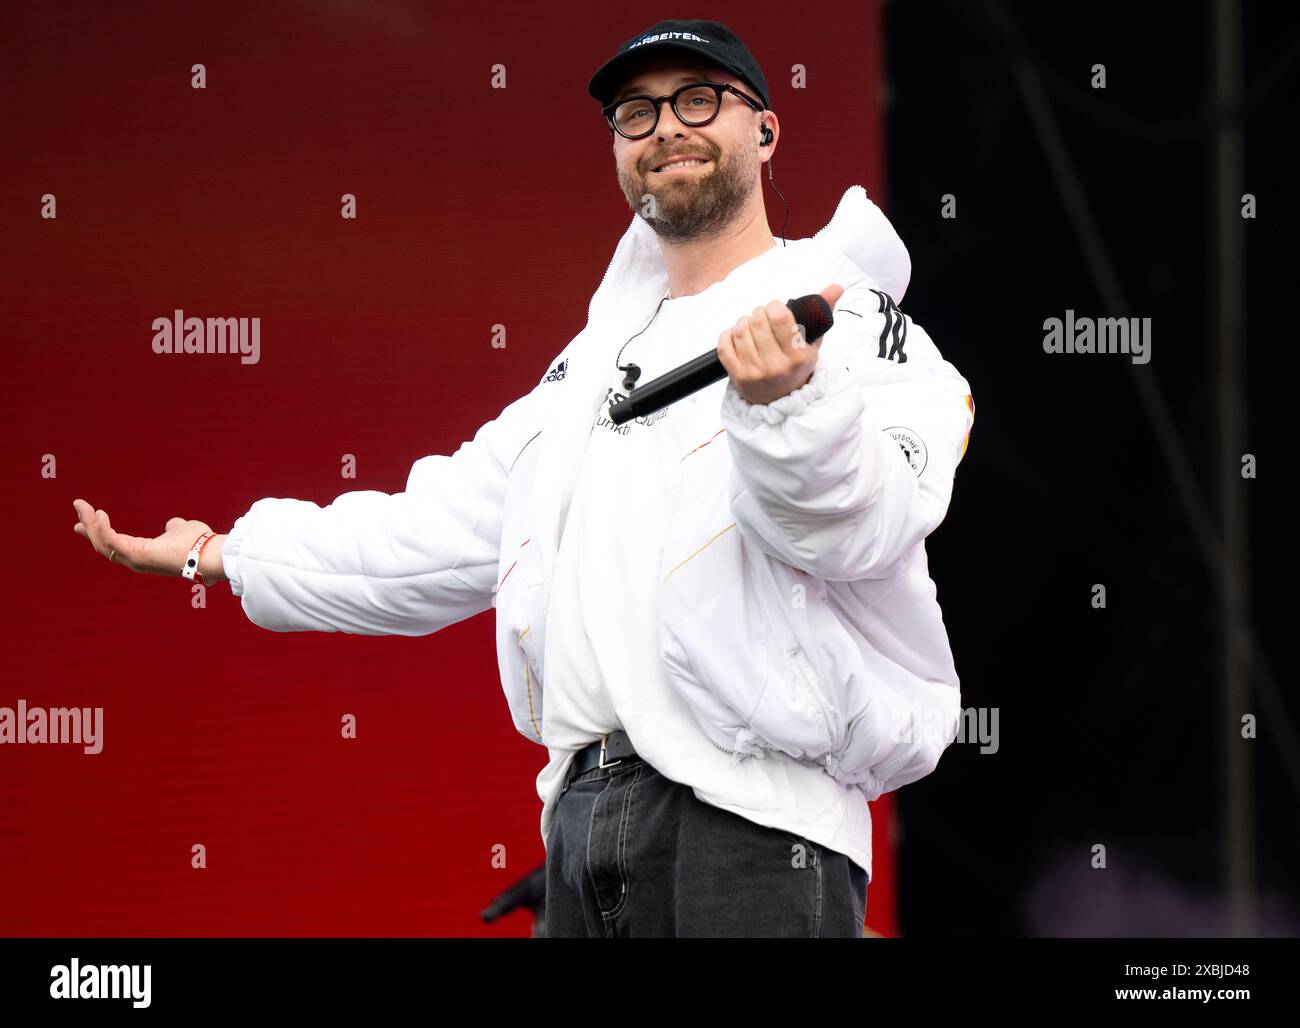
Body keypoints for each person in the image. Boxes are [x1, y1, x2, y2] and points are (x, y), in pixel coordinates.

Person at [72, 18, 975, 938]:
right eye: (635, 112)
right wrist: (225, 554)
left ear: (766, 129)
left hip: (756, 826)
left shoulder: (846, 317)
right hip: (582, 818)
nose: (666, 127)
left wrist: (787, 406)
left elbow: (861, 523)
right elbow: (433, 530)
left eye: (699, 100)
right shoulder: (583, 373)